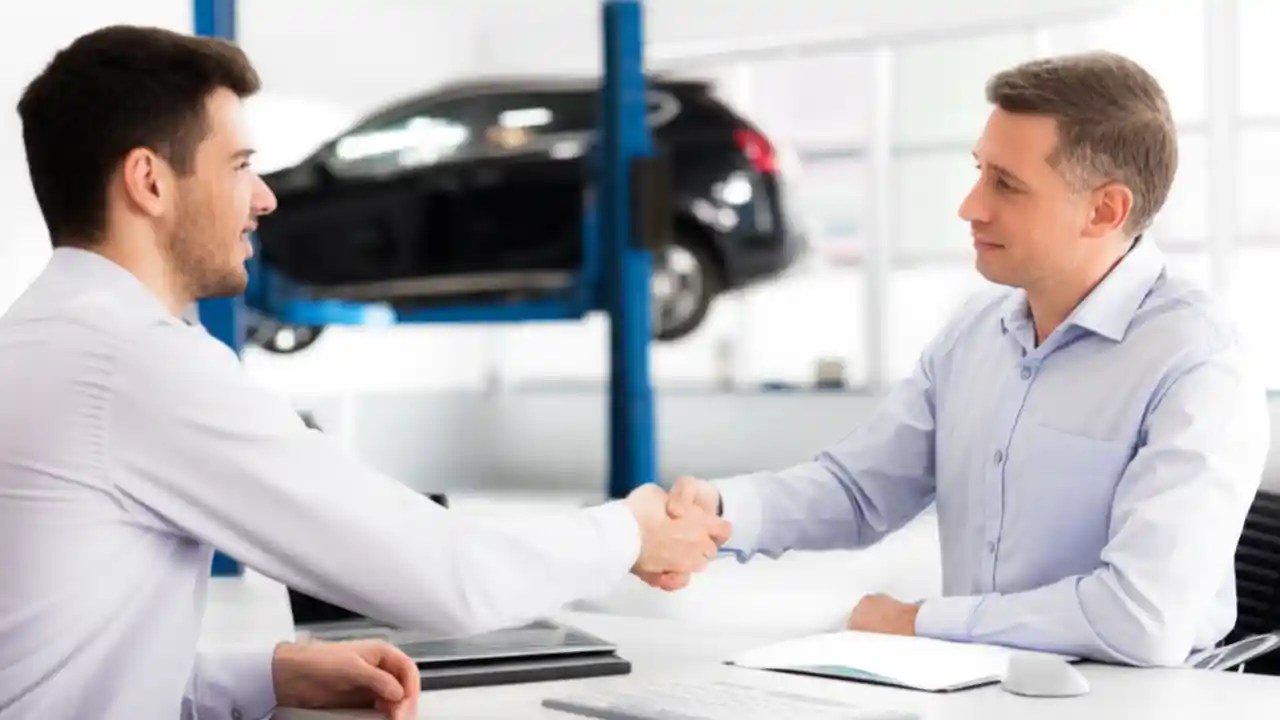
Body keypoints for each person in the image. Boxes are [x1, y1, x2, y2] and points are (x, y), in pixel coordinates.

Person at [0, 25, 729, 720]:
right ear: (149, 183)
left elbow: (59, 672)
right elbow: (448, 576)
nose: (265, 197)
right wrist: (631, 533)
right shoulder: (138, 363)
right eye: (239, 166)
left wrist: (262, 673)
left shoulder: (40, 342)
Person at [661, 51, 1269, 667]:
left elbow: (1141, 617)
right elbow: (860, 490)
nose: (971, 206)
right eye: (980, 171)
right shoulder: (975, 332)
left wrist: (918, 623)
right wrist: (721, 511)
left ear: (1104, 209)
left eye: (1006, 184)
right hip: (975, 683)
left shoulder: (1196, 362)